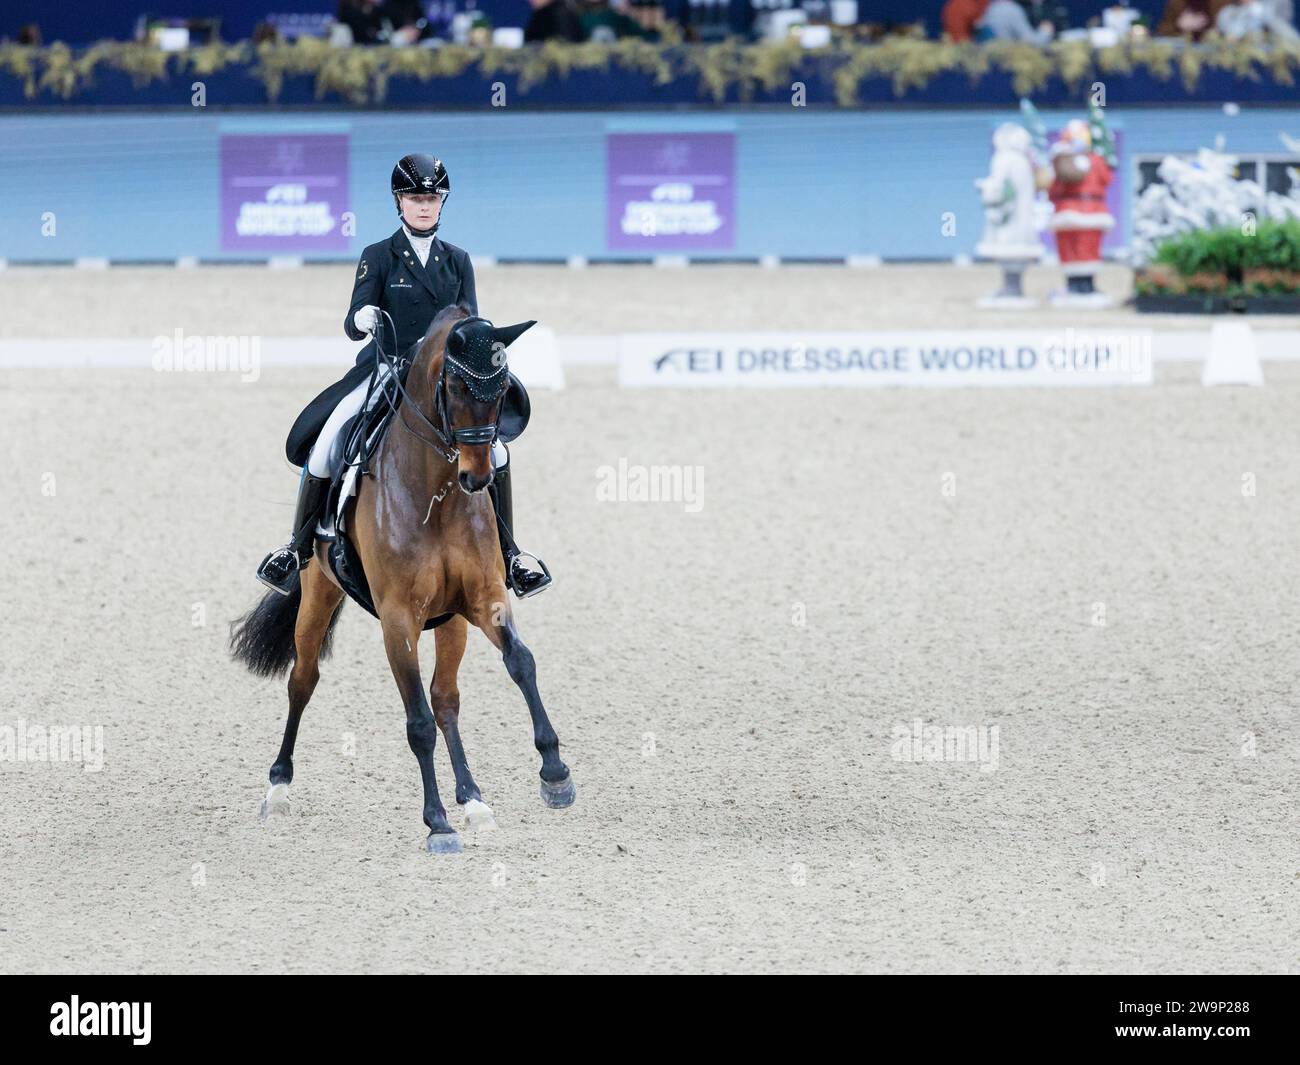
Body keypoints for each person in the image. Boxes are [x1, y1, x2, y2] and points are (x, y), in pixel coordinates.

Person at [256, 154, 552, 599]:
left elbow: (470, 322)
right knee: (329, 439)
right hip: (386, 369)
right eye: (416, 197)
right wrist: (365, 317)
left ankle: (511, 556)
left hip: (439, 378)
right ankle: (295, 549)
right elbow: (351, 318)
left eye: (432, 198)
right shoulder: (378, 255)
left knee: (498, 451)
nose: (425, 205)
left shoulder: (458, 260)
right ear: (399, 201)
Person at [976, 0, 1053, 41]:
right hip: (1006, 60)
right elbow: (1031, 43)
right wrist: (1045, 31)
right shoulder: (1011, 10)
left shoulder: (989, 7)